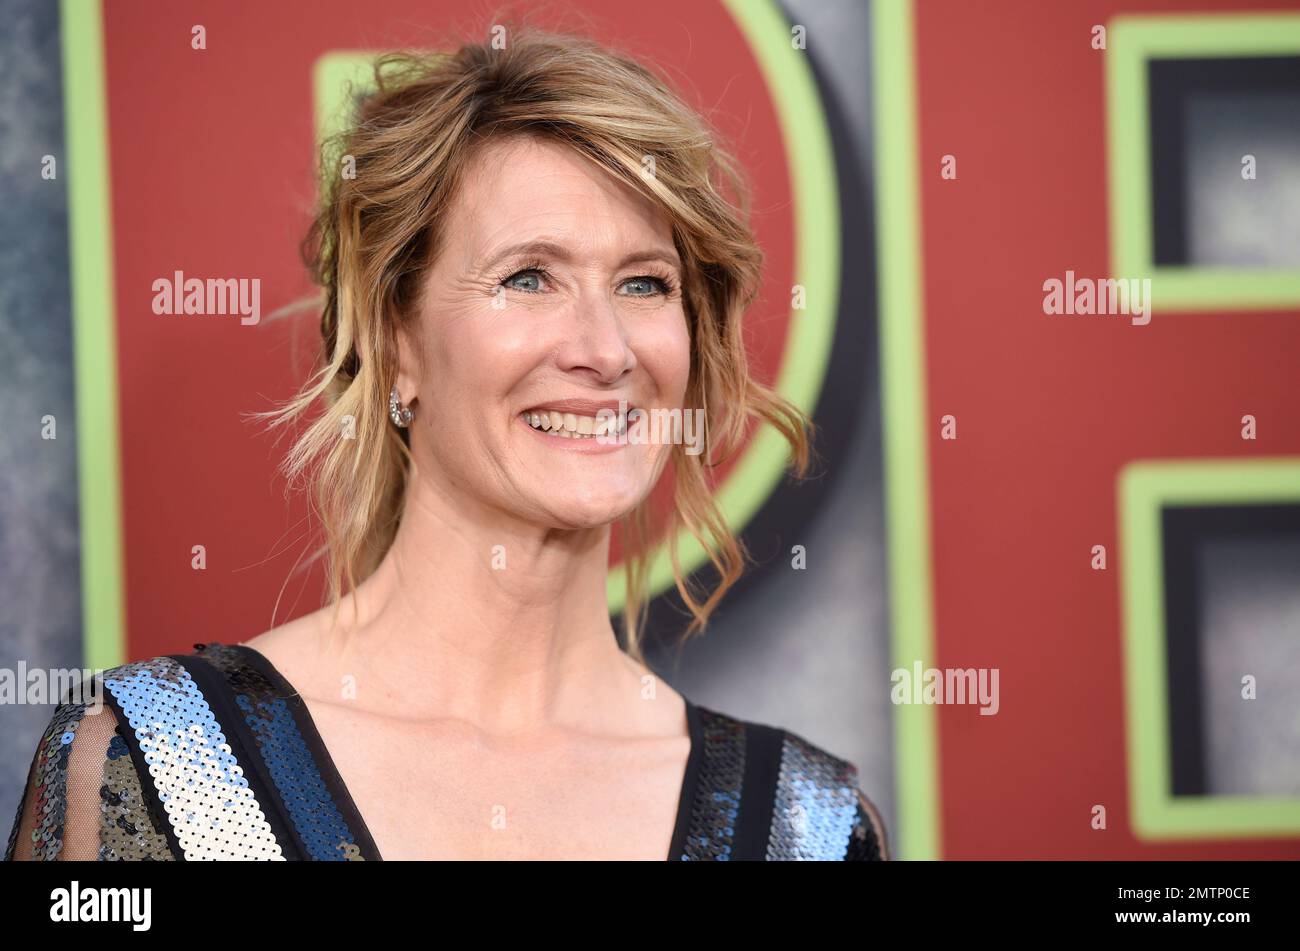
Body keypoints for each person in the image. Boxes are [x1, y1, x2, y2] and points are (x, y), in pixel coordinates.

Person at [5, 27, 887, 861]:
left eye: (644, 283)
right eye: (529, 277)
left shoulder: (804, 826)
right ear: (397, 341)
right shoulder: (151, 766)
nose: (605, 349)